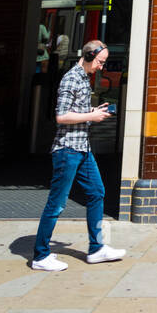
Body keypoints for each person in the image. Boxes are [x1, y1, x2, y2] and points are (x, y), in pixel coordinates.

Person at [31, 40, 126, 271]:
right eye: (100, 62)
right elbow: (61, 117)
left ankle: (96, 249)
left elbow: (76, 112)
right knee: (57, 203)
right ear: (90, 55)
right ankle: (40, 256)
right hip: (67, 150)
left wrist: (93, 112)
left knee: (97, 193)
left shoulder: (84, 77)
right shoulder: (71, 78)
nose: (101, 67)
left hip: (83, 148)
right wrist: (90, 117)